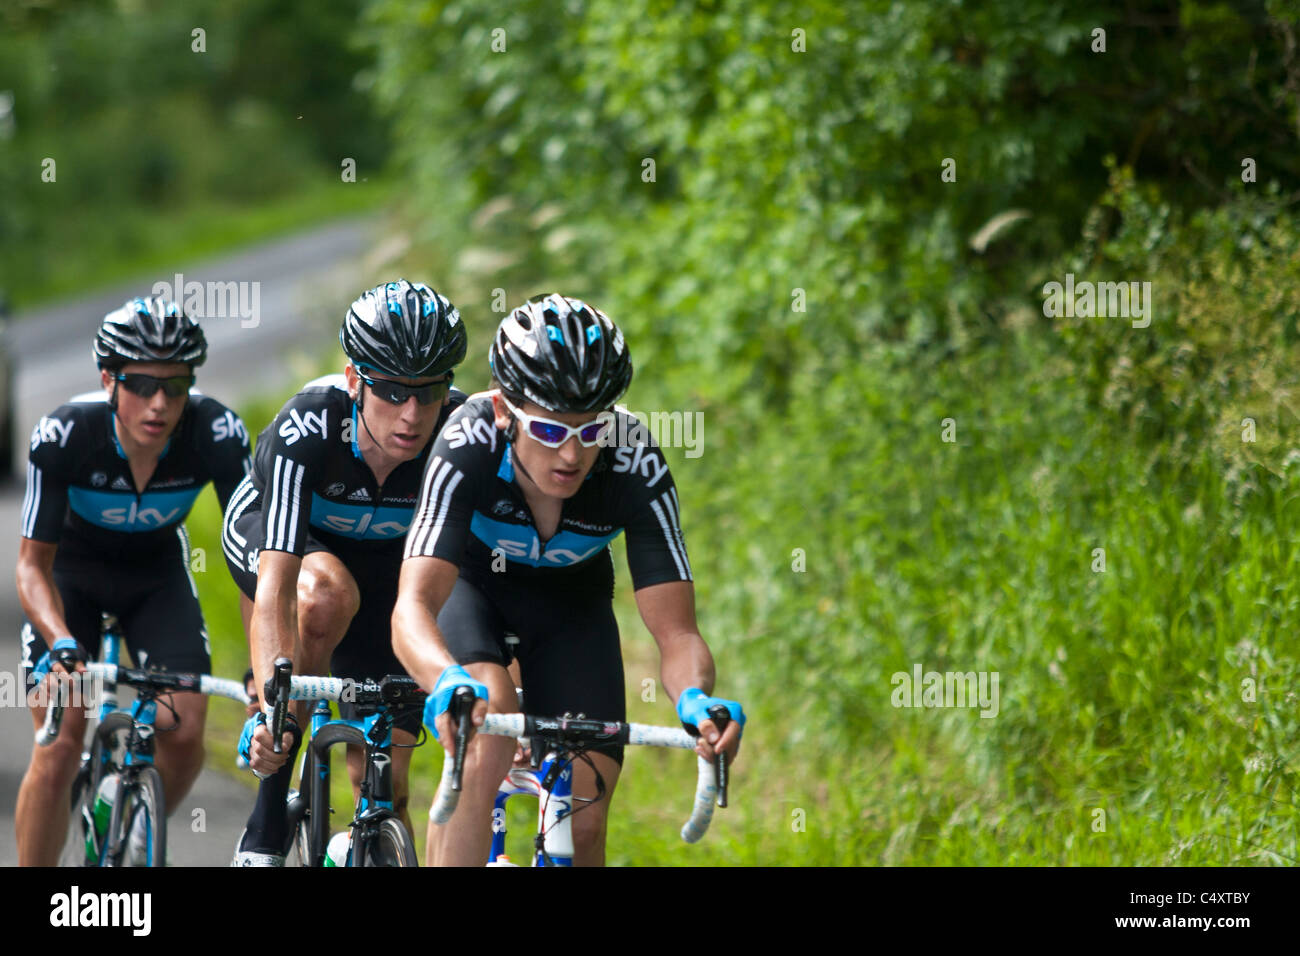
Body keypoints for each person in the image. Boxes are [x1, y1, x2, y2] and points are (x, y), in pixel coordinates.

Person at [392, 293, 745, 866]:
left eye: (590, 430)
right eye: (552, 432)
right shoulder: (467, 443)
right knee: (489, 735)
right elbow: (411, 607)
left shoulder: (634, 460)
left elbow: (678, 634)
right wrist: (446, 681)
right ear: (505, 412)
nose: (574, 453)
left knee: (587, 813)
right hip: (475, 590)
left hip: (572, 607)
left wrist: (697, 700)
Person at [225, 279, 467, 865]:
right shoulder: (305, 428)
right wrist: (272, 708)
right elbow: (278, 590)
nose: (412, 414)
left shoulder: (461, 437)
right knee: (326, 594)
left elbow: (477, 583)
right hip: (286, 538)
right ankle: (267, 817)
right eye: (391, 390)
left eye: (430, 391)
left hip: (388, 562)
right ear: (355, 380)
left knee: (386, 783)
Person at [16, 296, 251, 866]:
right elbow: (30, 566)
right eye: (142, 384)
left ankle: (138, 823)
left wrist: (264, 666)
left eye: (176, 387)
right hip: (70, 576)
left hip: (156, 574)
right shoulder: (66, 433)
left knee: (187, 726)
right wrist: (62, 641)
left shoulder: (216, 433)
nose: (160, 403)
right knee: (62, 739)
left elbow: (254, 561)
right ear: (108, 379)